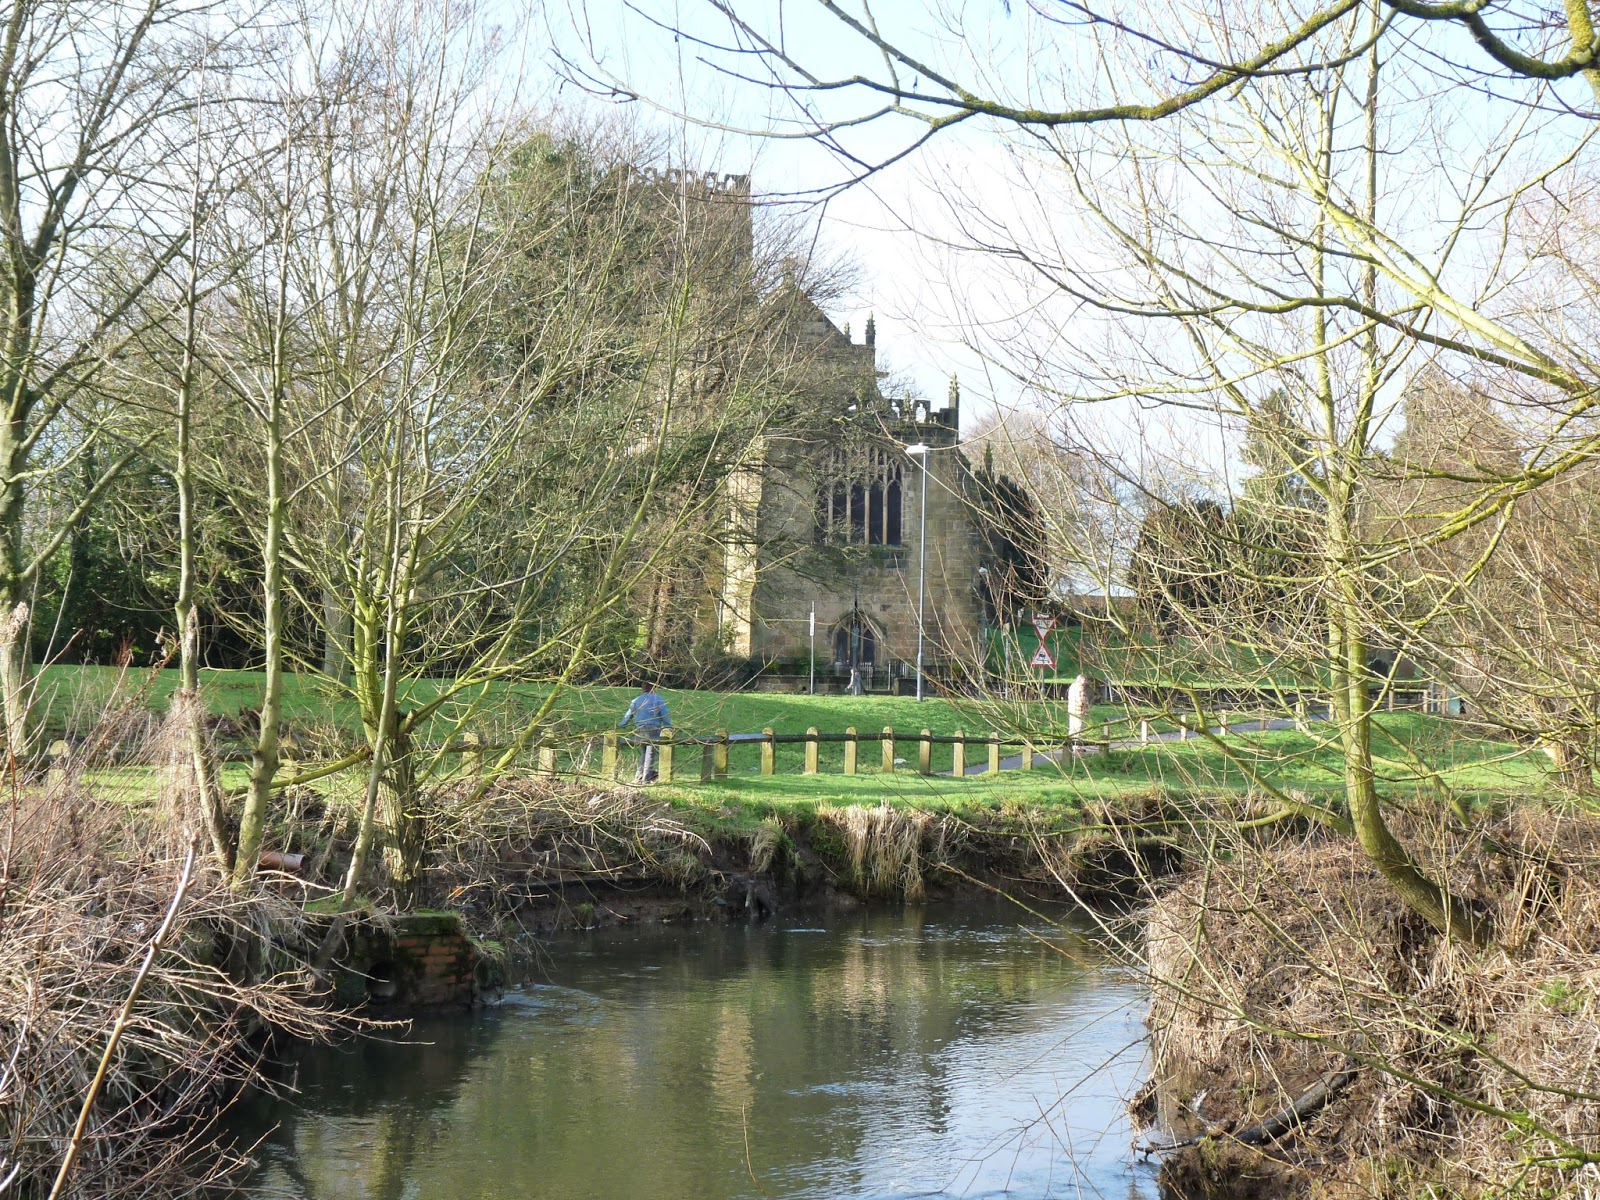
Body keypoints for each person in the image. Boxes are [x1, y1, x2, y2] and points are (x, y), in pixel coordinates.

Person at [618, 682, 671, 783]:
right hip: (653, 729)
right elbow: (664, 715)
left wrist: (621, 725)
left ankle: (639, 776)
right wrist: (669, 726)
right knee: (651, 752)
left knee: (644, 752)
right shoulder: (658, 699)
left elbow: (628, 716)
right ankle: (646, 778)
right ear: (653, 688)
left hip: (640, 729)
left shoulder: (636, 701)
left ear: (643, 689)